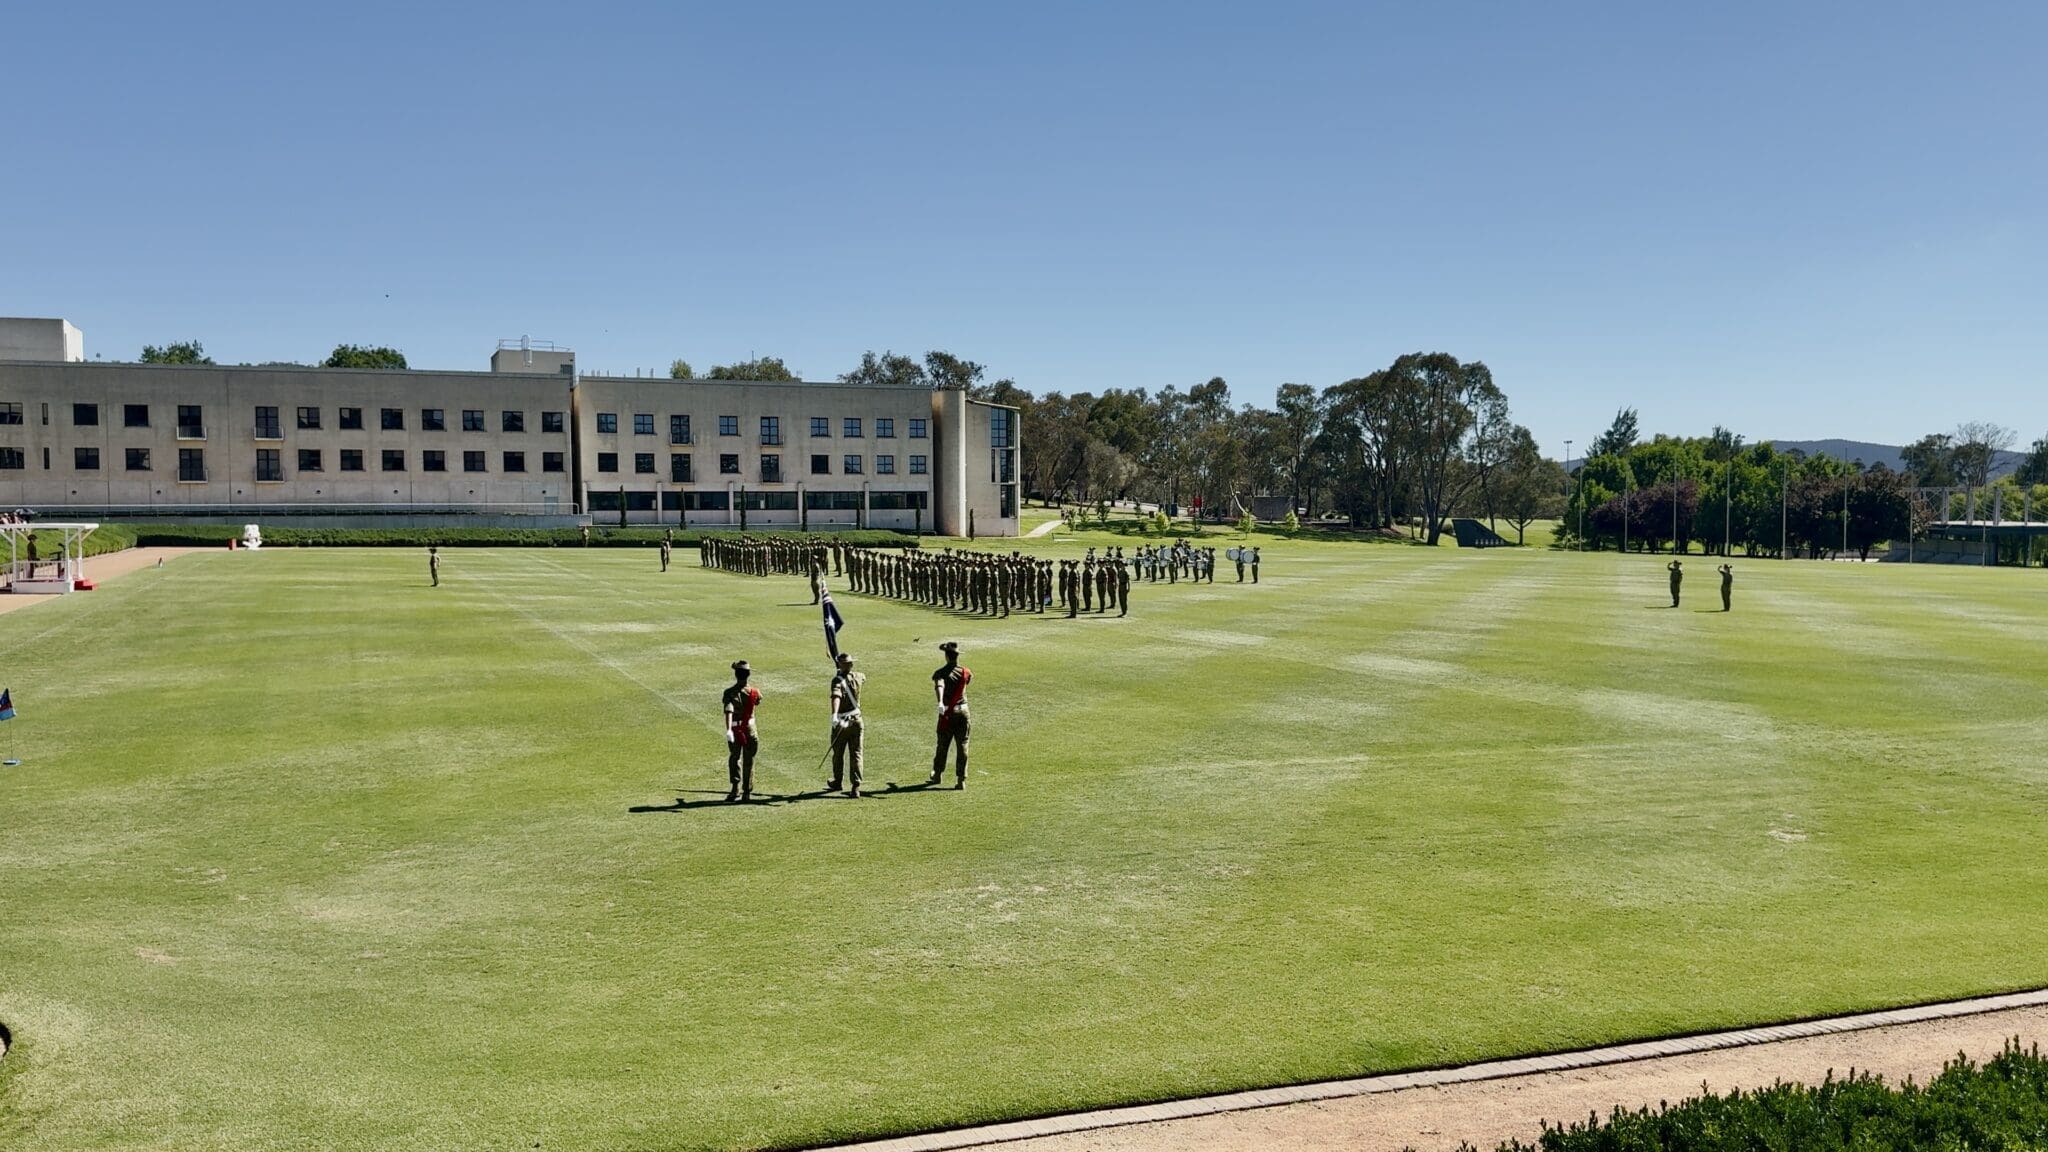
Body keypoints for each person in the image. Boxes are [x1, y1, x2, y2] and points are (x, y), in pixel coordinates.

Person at [928, 641, 972, 789]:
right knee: (963, 745)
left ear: (946, 656)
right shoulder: (966, 672)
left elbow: (939, 685)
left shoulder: (940, 673)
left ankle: (938, 774)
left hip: (948, 712)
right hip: (963, 711)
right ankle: (961, 779)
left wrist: (940, 701)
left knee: (943, 744)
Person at [721, 660, 762, 802]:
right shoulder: (755, 692)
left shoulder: (729, 693)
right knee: (748, 760)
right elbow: (758, 701)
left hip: (736, 729)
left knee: (734, 758)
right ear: (748, 675)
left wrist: (728, 730)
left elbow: (728, 711)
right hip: (750, 729)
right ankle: (747, 792)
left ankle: (734, 789)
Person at [827, 652, 865, 797]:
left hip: (843, 721)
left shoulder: (837, 681)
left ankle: (837, 781)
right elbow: (863, 677)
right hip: (857, 719)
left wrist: (834, 715)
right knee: (856, 754)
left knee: (838, 753)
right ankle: (856, 786)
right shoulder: (859, 676)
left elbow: (836, 696)